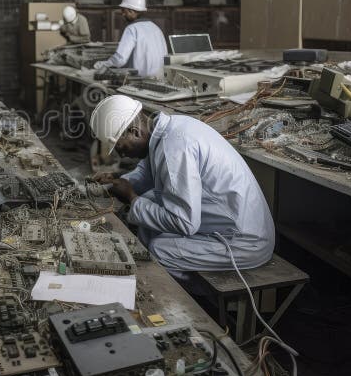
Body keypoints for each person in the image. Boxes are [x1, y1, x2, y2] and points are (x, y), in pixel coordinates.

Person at [90, 95, 275, 281]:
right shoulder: (167, 129)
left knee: (160, 249)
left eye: (121, 148)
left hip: (244, 240)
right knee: (149, 208)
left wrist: (131, 197)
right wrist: (117, 180)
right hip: (224, 219)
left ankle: (192, 300)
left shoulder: (175, 148)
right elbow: (145, 174)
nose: (122, 155)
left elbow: (184, 223)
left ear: (135, 132)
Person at [93, 0, 168, 78]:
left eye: (124, 11)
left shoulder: (132, 28)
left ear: (131, 11)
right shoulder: (156, 28)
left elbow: (120, 59)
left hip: (142, 80)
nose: (123, 14)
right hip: (161, 77)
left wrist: (103, 64)